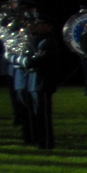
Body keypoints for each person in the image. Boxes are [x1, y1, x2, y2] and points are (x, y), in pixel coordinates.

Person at [20, 12, 57, 150]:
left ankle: (47, 142)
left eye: (40, 24)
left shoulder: (48, 42)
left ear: (48, 26)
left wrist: (23, 61)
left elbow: (37, 61)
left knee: (44, 116)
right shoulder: (39, 40)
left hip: (43, 81)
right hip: (35, 82)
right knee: (38, 115)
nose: (36, 26)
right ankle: (42, 140)